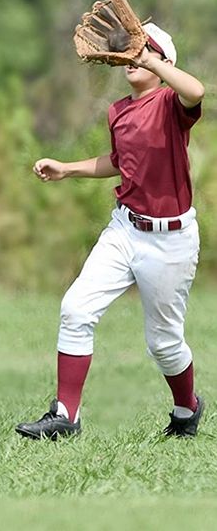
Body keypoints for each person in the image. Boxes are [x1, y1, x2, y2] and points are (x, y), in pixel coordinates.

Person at [16, 22, 205, 439]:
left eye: (148, 49)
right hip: (125, 228)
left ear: (163, 62)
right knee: (76, 309)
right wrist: (68, 169)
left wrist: (152, 58)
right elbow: (120, 162)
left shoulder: (172, 102)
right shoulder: (118, 110)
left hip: (171, 239)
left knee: (164, 344)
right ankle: (66, 415)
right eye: (133, 49)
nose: (135, 55)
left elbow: (197, 92)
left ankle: (187, 408)